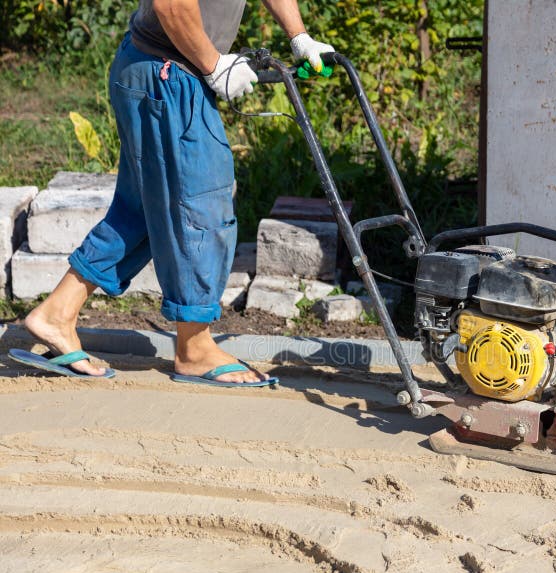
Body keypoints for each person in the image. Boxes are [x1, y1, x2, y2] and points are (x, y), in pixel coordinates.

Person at [13, 0, 334, 386]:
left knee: (141, 214)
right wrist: (214, 63)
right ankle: (194, 348)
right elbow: (170, 3)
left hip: (162, 72)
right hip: (166, 75)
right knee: (202, 207)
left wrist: (300, 38)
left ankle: (56, 314)